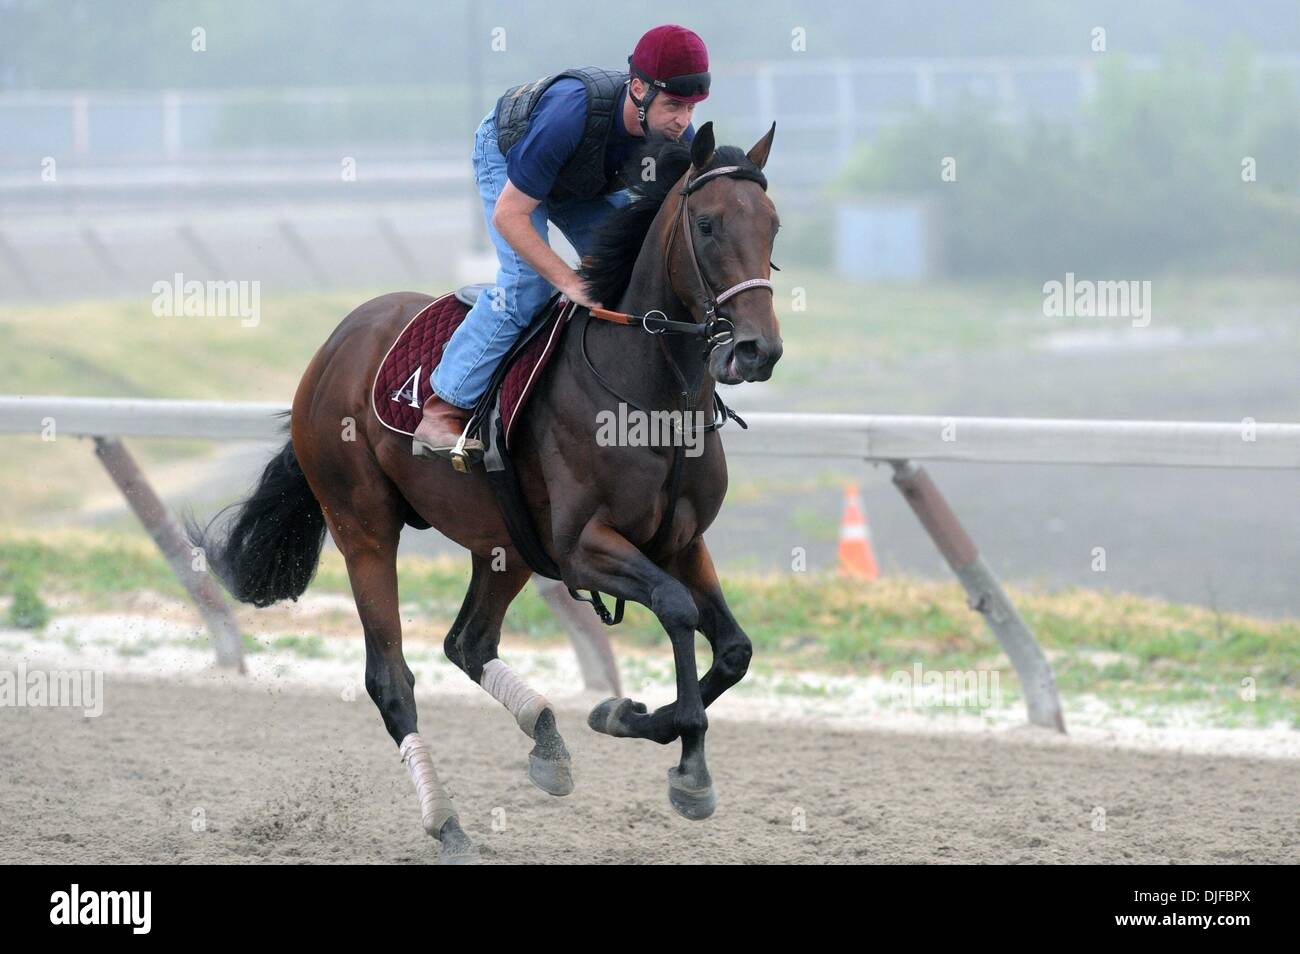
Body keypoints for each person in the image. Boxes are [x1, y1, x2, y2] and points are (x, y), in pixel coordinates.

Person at [412, 23, 709, 464]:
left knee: (632, 271)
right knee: (527, 287)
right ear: (639, 89)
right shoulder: (567, 115)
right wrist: (570, 282)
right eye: (673, 106)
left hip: (583, 179)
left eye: (690, 108)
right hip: (510, 158)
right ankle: (444, 408)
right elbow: (509, 216)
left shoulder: (674, 136)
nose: (683, 121)